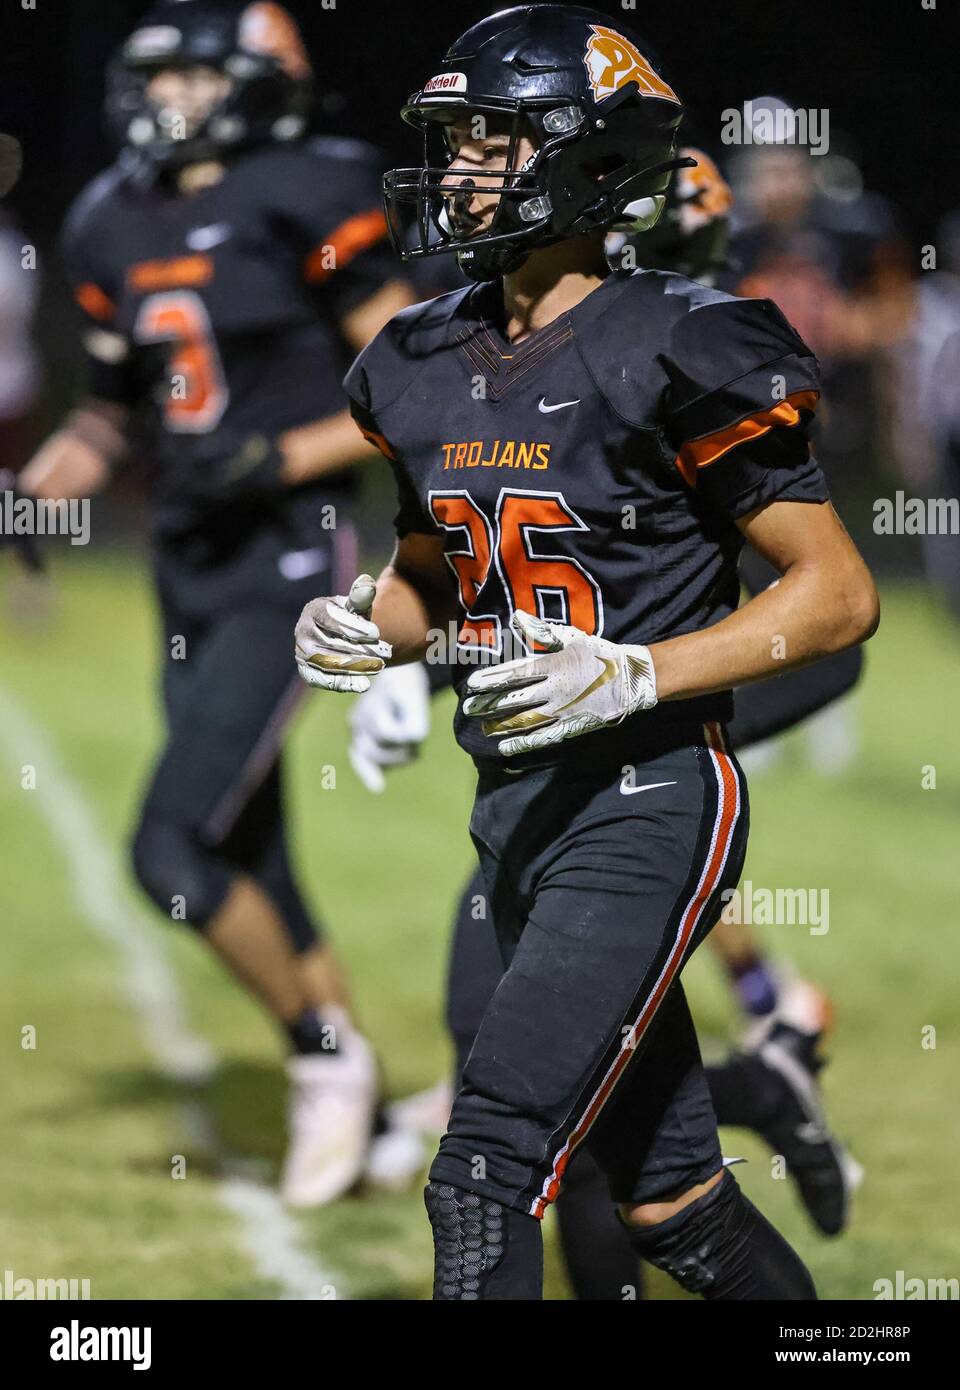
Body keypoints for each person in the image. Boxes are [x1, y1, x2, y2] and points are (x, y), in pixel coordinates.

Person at [296, 6, 879, 1300]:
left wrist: (643, 668)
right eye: (452, 144)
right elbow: (438, 577)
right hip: (516, 801)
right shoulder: (421, 353)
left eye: (491, 143)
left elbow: (837, 595)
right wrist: (368, 627)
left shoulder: (683, 338)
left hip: (649, 797)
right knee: (673, 1198)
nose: (458, 172)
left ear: (589, 159)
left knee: (481, 1170)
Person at [20, 0, 415, 1206]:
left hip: (295, 552)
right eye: (158, 78)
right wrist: (34, 493)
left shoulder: (306, 186)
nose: (166, 99)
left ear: (250, 82)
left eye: (193, 77)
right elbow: (108, 415)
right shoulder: (106, 220)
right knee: (251, 846)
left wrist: (278, 458)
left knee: (170, 844)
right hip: (186, 563)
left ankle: (324, 1060)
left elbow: (411, 380)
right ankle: (376, 1097)